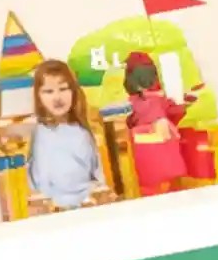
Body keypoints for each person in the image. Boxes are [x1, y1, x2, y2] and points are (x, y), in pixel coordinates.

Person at [27, 59, 110, 209]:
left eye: (63, 89)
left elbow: (99, 175)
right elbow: (33, 183)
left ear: (73, 91)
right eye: (49, 91)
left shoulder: (85, 130)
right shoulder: (35, 133)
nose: (57, 97)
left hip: (87, 204)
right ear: (39, 97)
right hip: (51, 209)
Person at [123, 52, 187, 194]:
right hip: (169, 163)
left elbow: (129, 121)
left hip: (145, 167)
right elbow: (177, 112)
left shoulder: (132, 104)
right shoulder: (160, 101)